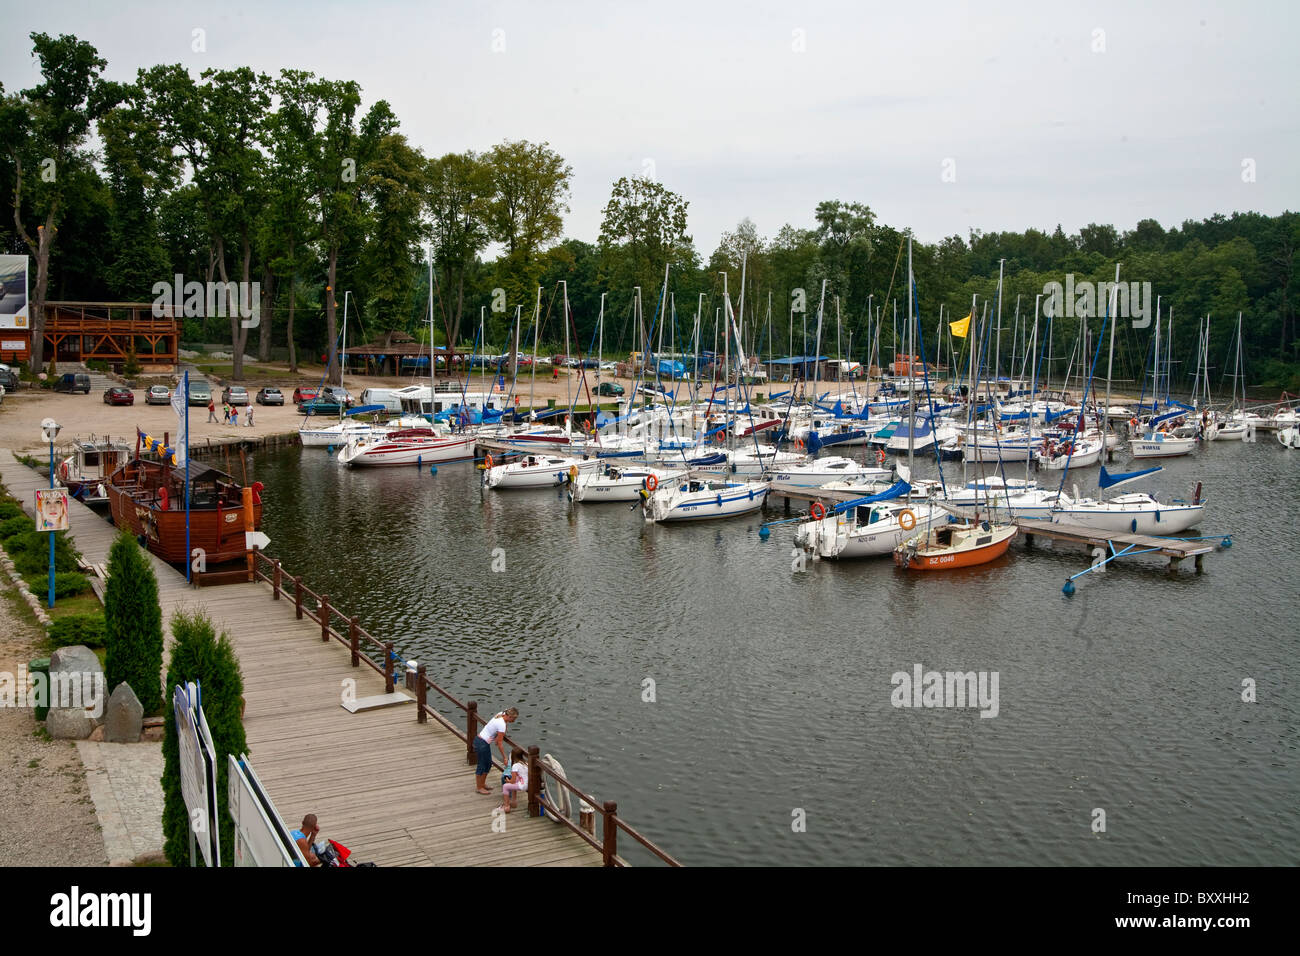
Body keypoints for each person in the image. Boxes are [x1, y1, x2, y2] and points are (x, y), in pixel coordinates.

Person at [473, 707, 517, 794]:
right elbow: (499, 744)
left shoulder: (501, 714)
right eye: (514, 719)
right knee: (482, 765)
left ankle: (482, 784)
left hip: (482, 741)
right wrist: (505, 757)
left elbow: (502, 729)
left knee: (488, 764)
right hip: (482, 743)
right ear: (510, 716)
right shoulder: (502, 725)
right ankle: (479, 787)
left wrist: (500, 735)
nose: (514, 721)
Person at [501, 748, 528, 813]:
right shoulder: (526, 763)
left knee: (505, 786)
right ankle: (513, 802)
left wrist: (508, 781)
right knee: (516, 779)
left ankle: (506, 806)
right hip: (527, 783)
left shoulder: (515, 766)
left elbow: (512, 781)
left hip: (523, 785)